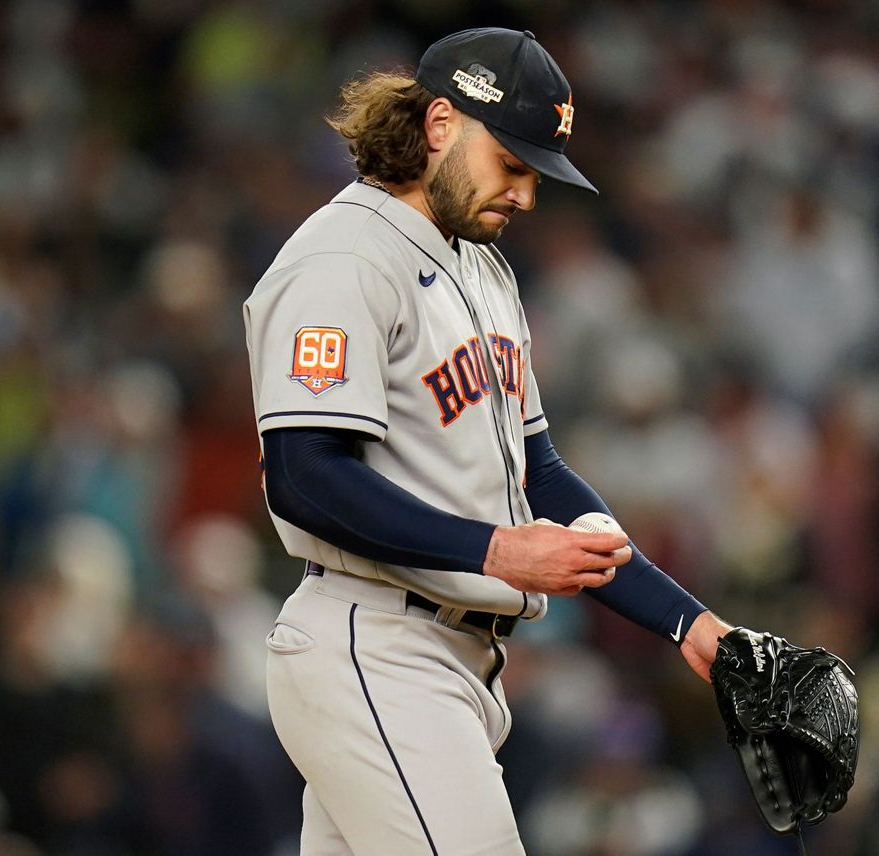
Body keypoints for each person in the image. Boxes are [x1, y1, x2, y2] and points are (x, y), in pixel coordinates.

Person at [243, 27, 732, 854]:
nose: (528, 194)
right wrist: (497, 551)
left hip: (451, 661)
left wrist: (690, 625)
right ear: (440, 125)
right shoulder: (343, 259)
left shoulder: (482, 266)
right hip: (377, 646)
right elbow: (303, 476)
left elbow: (540, 474)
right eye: (512, 164)